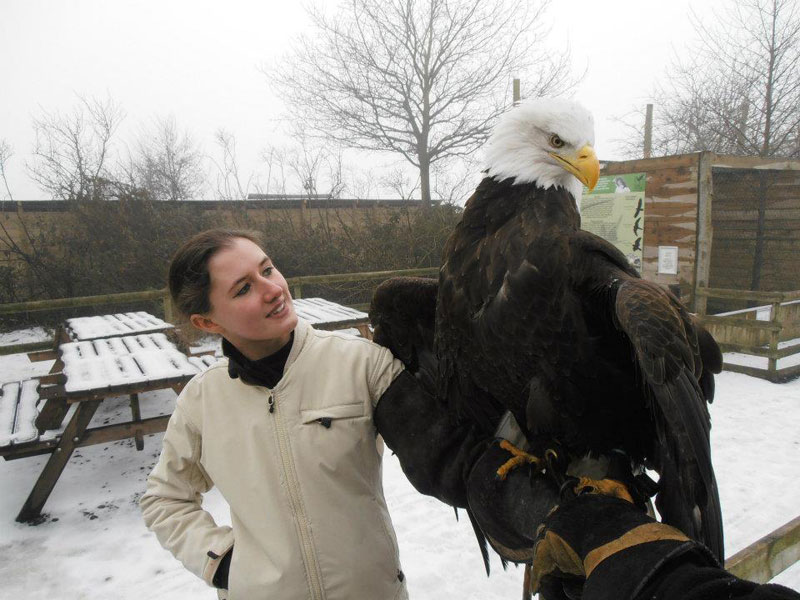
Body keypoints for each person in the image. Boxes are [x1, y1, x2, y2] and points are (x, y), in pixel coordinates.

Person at [139, 228, 485, 600]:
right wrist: (220, 562)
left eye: (267, 270)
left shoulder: (361, 364)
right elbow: (164, 498)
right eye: (243, 288)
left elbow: (448, 459)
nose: (272, 289)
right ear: (207, 322)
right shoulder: (201, 402)